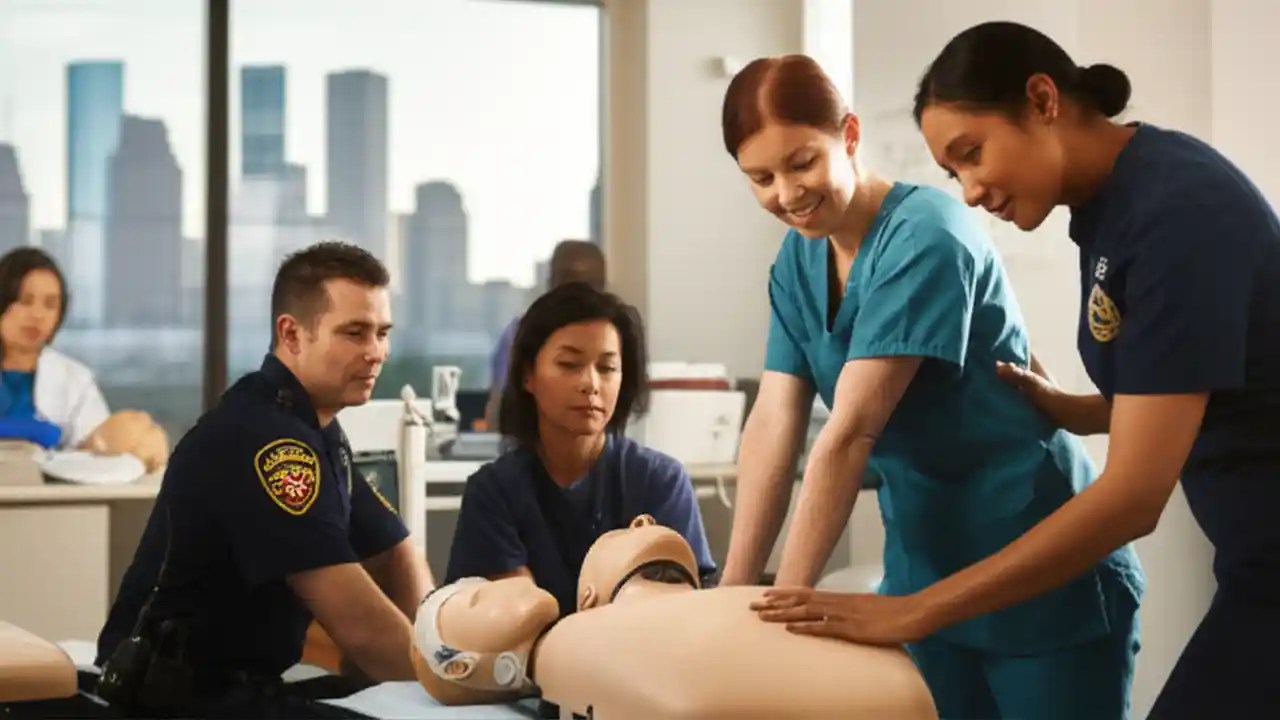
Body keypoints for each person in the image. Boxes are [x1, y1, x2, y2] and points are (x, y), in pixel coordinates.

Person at [756, 21, 1280, 720]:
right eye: (953, 173)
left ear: (1042, 99)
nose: (970, 192)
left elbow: (1133, 498)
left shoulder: (1177, 211)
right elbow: (1213, 378)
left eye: (972, 155)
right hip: (1252, 563)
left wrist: (915, 612)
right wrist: (1080, 407)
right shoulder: (1109, 208)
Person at [716, 54, 1145, 719]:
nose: (787, 194)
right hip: (925, 576)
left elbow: (850, 431)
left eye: (802, 163)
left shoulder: (925, 237)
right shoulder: (799, 257)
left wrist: (781, 613)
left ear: (849, 136)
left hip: (1036, 567)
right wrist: (734, 602)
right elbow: (774, 422)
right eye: (760, 178)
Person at [94, 241, 435, 719]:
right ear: (292, 334)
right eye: (354, 333)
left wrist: (433, 652)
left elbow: (397, 553)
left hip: (240, 686)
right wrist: (446, 689)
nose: (375, 352)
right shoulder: (266, 440)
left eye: (382, 332)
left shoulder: (317, 430)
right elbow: (356, 623)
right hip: (173, 695)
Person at [414, 516, 938, 719]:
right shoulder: (571, 646)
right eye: (476, 600)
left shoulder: (720, 605)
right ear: (465, 666)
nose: (640, 519)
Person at [445, 281, 717, 617]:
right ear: (528, 375)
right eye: (569, 364)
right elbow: (516, 621)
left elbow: (678, 612)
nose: (590, 384)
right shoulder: (494, 491)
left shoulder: (660, 481)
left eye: (607, 368)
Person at [0, 247, 168, 471]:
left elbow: (94, 450)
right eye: (25, 301)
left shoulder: (75, 379)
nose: (37, 315)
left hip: (52, 498)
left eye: (50, 305)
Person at [484, 239, 606, 429]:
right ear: (552, 285)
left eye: (586, 288)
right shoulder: (519, 336)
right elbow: (498, 415)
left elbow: (637, 412)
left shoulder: (621, 339)